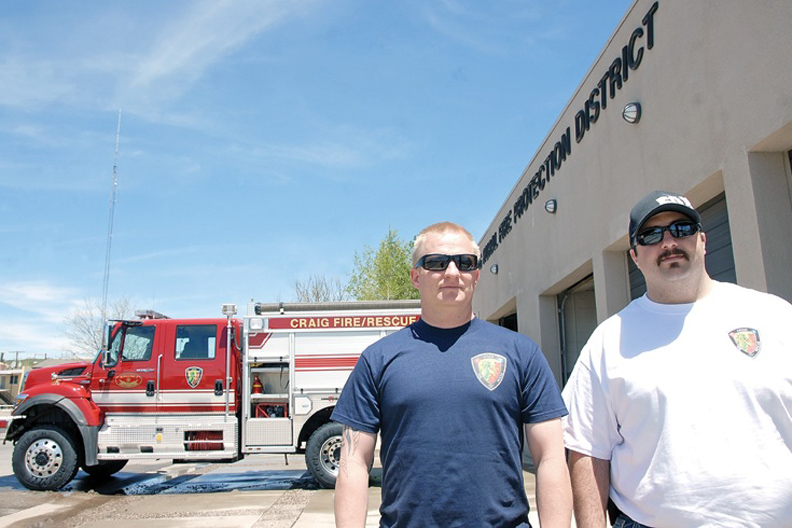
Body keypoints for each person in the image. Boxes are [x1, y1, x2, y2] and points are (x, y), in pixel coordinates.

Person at [562, 190, 792, 527]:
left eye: (681, 229)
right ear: (635, 256)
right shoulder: (608, 341)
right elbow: (587, 451)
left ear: (702, 240)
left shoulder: (774, 316)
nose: (668, 241)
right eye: (651, 235)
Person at [332, 221, 572, 528]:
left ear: (476, 275)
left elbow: (551, 457)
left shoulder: (522, 353)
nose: (451, 272)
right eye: (435, 263)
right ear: (415, 277)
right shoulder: (378, 359)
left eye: (464, 262)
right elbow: (353, 461)